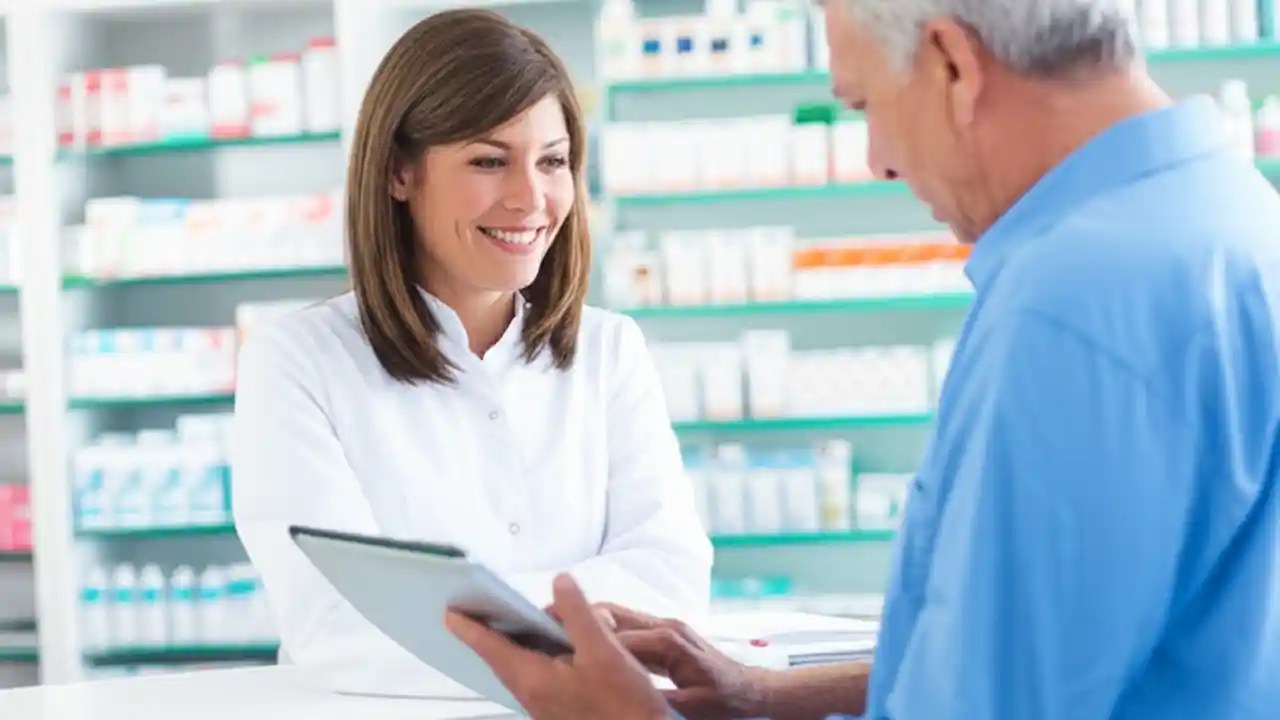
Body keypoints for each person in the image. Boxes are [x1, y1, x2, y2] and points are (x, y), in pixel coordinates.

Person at [447, 0, 1280, 717]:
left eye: (867, 102)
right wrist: (764, 693)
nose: (879, 158)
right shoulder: (1226, 212)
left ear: (954, 63)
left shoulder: (1076, 304)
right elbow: (1060, 647)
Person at [231, 9, 711, 697]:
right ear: (399, 172)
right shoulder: (298, 363)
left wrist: (449, 611)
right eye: (489, 161)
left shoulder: (610, 351)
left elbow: (672, 582)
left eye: (552, 162)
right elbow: (337, 624)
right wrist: (579, 621)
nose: (531, 198)